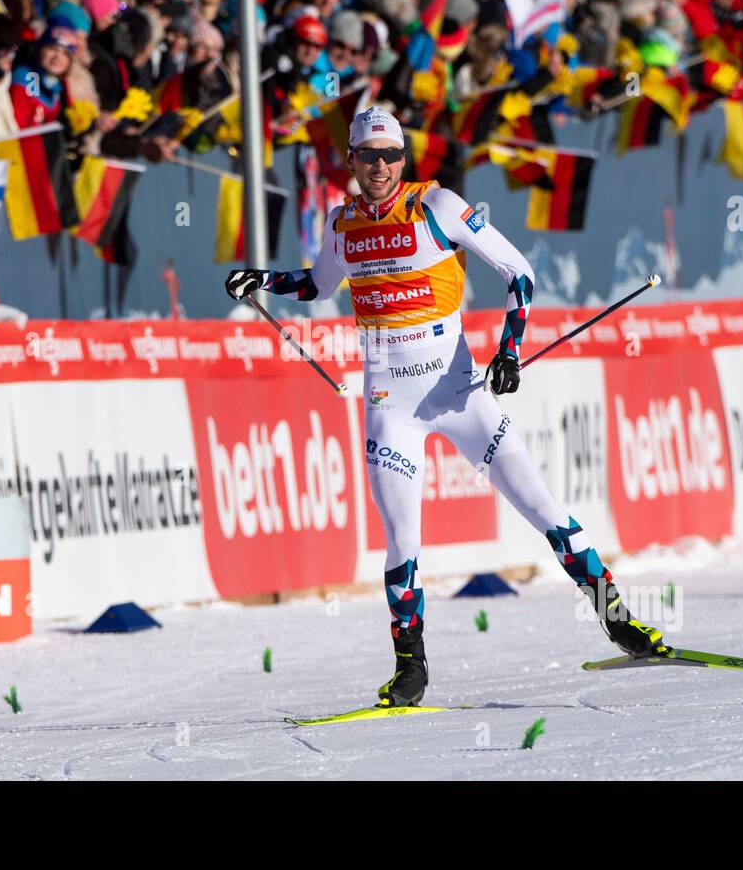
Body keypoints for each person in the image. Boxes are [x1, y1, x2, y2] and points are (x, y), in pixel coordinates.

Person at [224, 106, 668, 708]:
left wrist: (508, 349)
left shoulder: (439, 206)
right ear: (350, 162)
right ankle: (411, 669)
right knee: (401, 537)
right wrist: (263, 280)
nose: (380, 166)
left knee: (543, 508)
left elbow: (520, 272)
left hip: (459, 391)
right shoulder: (342, 222)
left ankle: (619, 621)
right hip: (390, 402)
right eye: (368, 156)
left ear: (403, 159)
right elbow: (319, 286)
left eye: (390, 155)